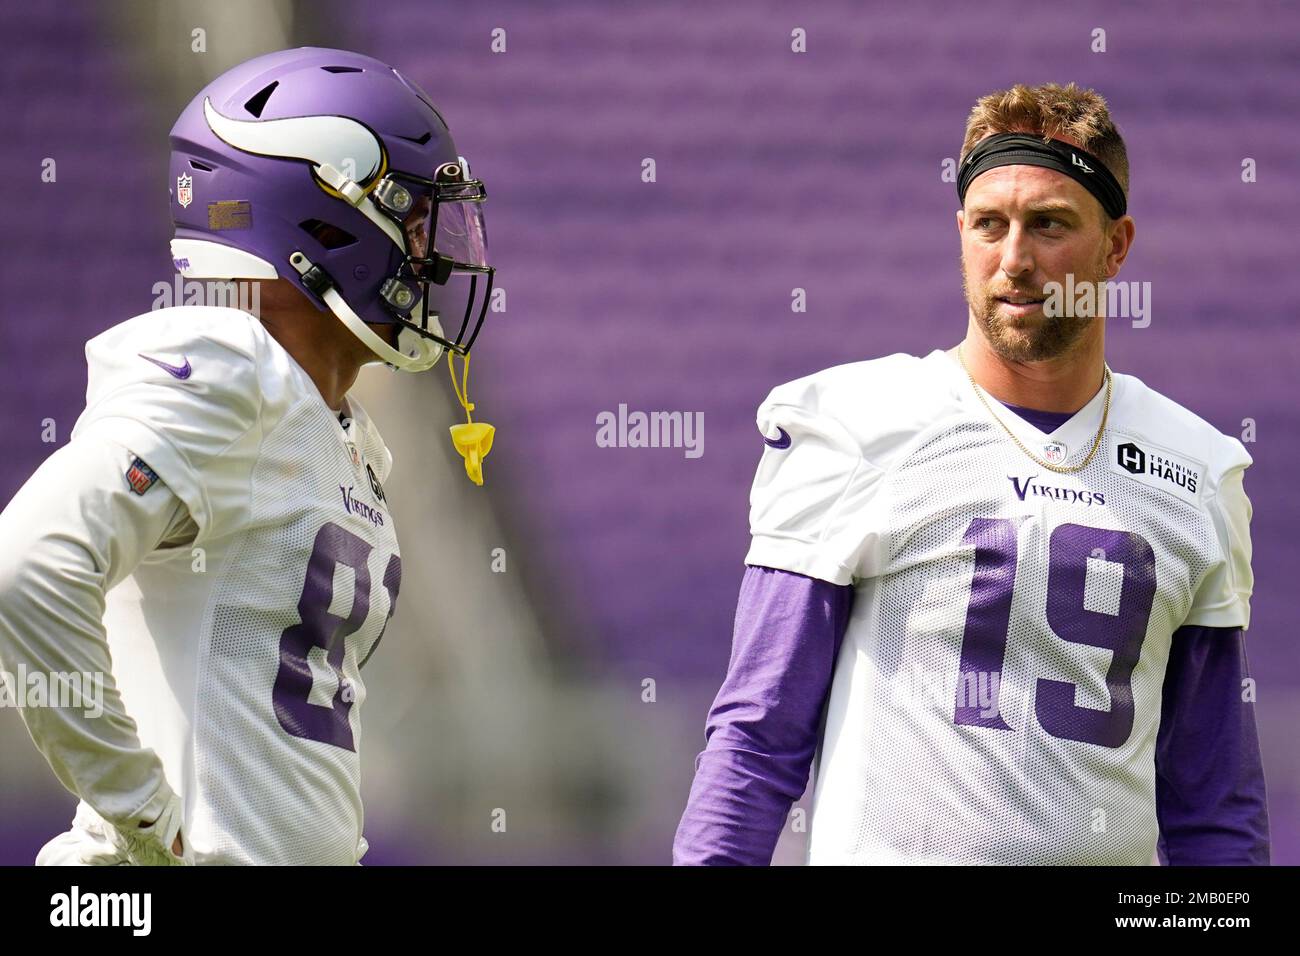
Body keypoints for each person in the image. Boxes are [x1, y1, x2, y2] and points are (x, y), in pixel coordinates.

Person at [673, 82, 1268, 865]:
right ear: (961, 232)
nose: (1014, 259)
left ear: (1116, 246)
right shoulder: (858, 425)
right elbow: (757, 740)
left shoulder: (1196, 469)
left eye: (1050, 224)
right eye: (990, 224)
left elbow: (1213, 806)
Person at [0, 46, 496, 865]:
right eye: (413, 222)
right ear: (323, 221)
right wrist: (140, 814)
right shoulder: (231, 370)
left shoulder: (329, 428)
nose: (433, 254)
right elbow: (25, 566)